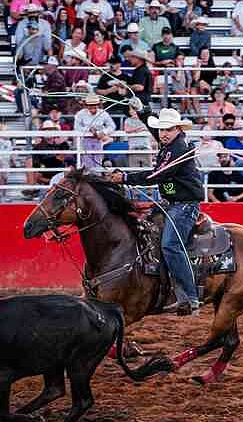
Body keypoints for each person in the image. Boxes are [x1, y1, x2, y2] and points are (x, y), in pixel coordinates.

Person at [111, 108, 203, 315]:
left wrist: (125, 177)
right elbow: (157, 134)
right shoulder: (171, 143)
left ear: (178, 129)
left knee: (170, 245)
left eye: (168, 129)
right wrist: (143, 112)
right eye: (161, 129)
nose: (163, 133)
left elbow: (157, 175)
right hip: (172, 203)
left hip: (184, 205)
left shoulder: (178, 149)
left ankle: (190, 297)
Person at [74, 94, 117, 169]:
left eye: (95, 105)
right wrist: (89, 129)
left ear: (98, 105)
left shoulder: (103, 113)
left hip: (99, 139)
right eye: (90, 106)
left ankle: (97, 175)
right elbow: (77, 127)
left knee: (98, 158)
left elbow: (112, 126)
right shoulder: (80, 114)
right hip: (85, 140)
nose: (92, 108)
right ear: (86, 105)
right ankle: (88, 176)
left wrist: (103, 132)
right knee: (87, 159)